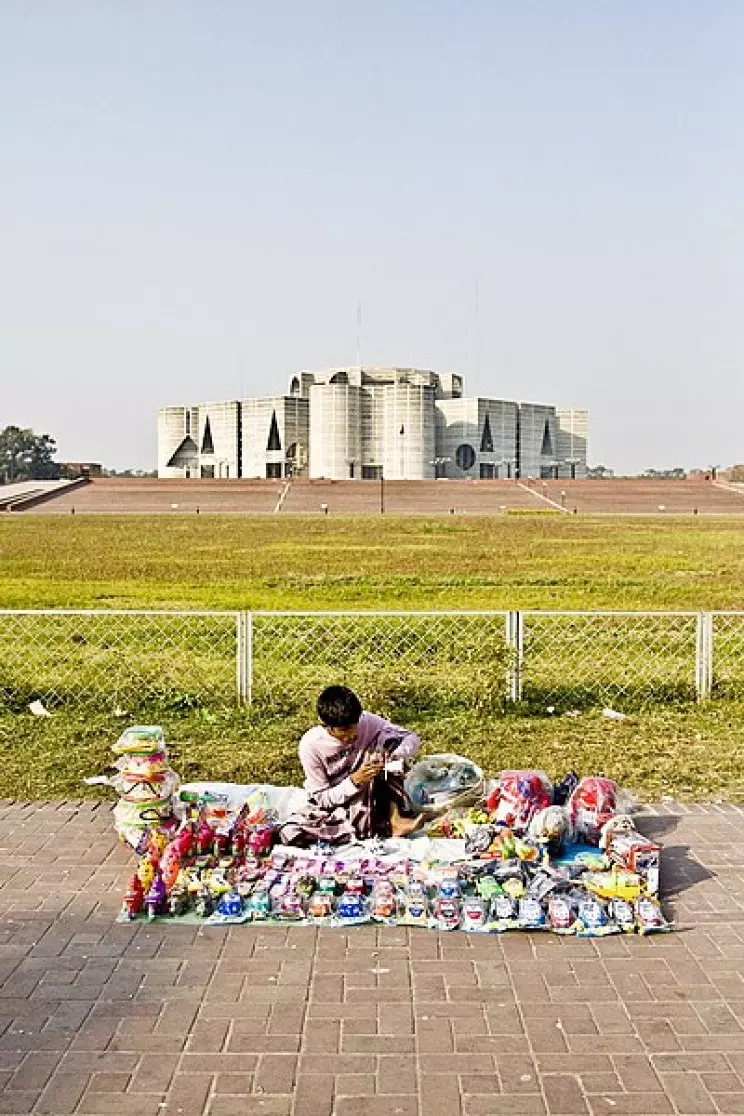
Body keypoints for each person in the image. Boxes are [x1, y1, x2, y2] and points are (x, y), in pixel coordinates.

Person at [279, 685, 423, 847]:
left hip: (374, 791)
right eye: (344, 730)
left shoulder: (367, 722)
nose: (353, 735)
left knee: (390, 750)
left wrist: (391, 753)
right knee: (292, 832)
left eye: (355, 725)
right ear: (329, 727)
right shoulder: (311, 745)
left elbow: (410, 738)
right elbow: (322, 798)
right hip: (341, 800)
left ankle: (394, 818)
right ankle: (378, 826)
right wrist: (354, 781)